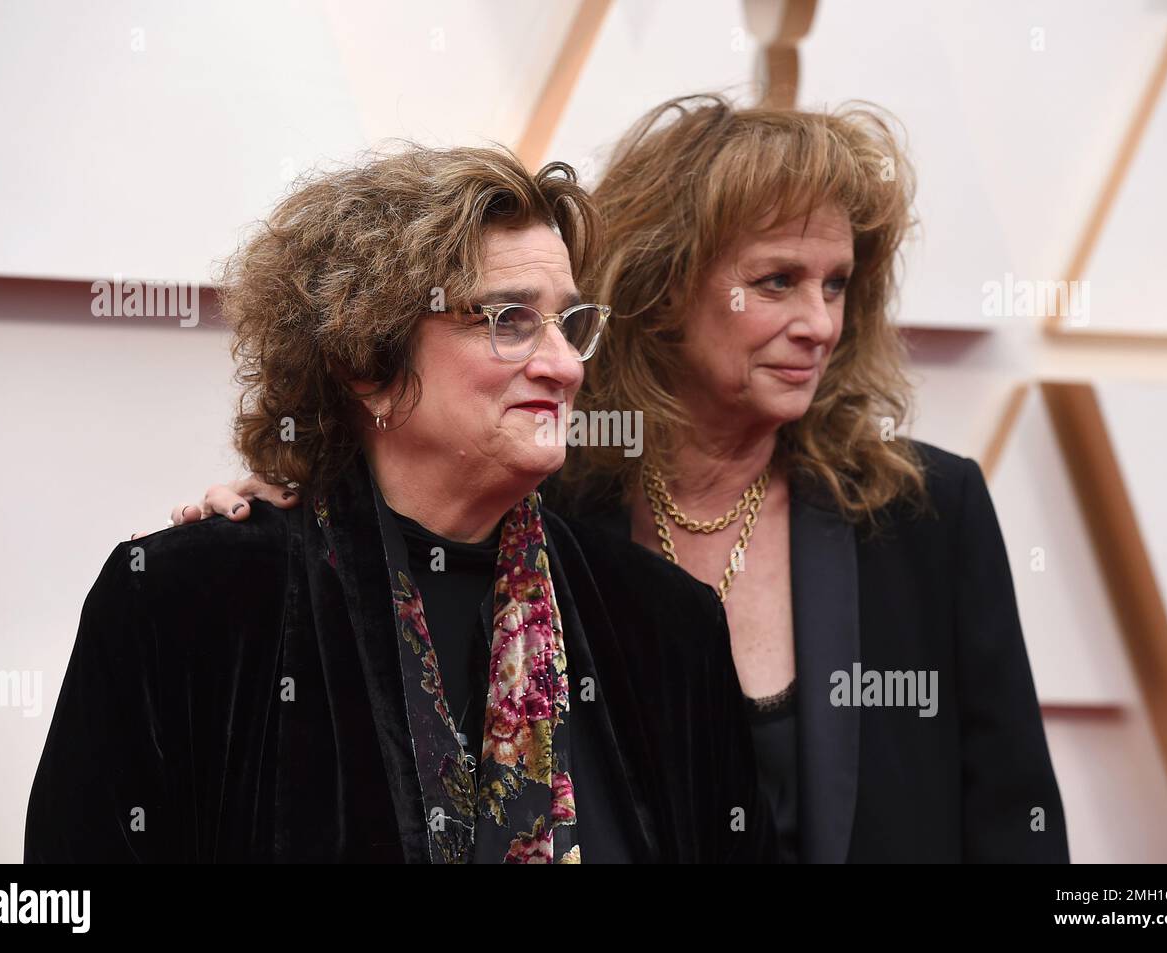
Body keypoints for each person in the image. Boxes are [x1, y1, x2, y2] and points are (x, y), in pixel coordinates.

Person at [165, 95, 1069, 863]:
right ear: (667, 284)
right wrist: (285, 498)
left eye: (837, 285)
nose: (817, 322)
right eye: (778, 280)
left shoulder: (923, 510)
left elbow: (1015, 820)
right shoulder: (545, 501)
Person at [26, 144, 775, 864]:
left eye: (570, 324)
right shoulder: (188, 601)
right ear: (368, 361)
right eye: (508, 320)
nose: (560, 365)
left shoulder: (665, 629)